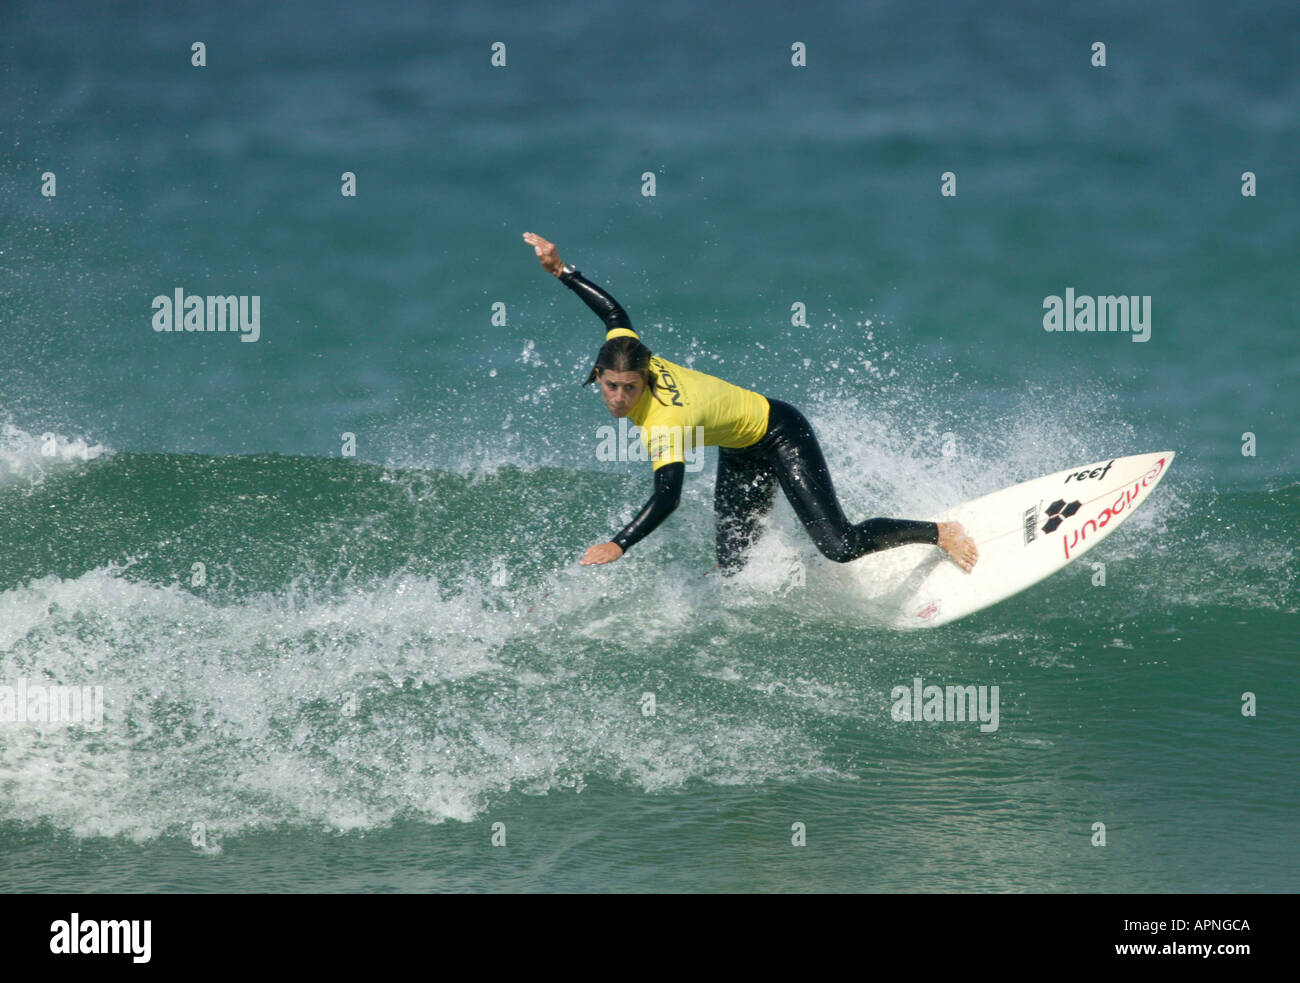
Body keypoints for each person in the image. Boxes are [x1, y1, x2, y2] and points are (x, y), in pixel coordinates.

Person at [522, 232, 979, 575]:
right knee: (733, 566)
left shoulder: (665, 421)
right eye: (611, 387)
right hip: (741, 449)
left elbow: (668, 496)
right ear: (599, 374)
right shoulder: (626, 350)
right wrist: (562, 270)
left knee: (839, 546)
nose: (619, 398)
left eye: (630, 388)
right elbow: (615, 315)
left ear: (645, 379)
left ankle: (940, 532)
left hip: (780, 433)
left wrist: (619, 544)